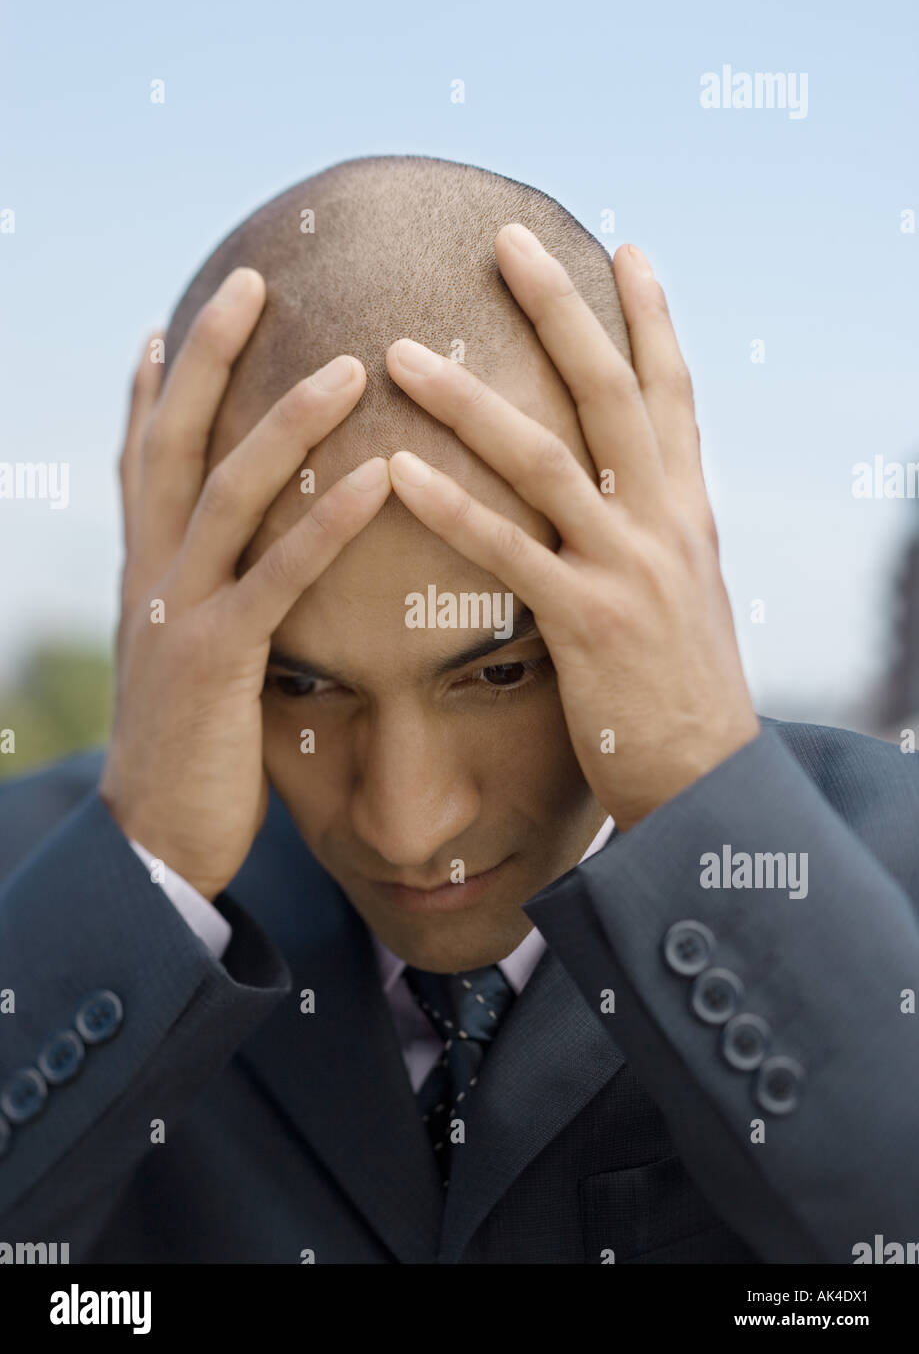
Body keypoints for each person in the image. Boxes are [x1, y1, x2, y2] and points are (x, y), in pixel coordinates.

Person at [1, 155, 917, 1265]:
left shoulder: (885, 879)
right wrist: (141, 869)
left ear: (664, 557)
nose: (407, 822)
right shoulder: (43, 901)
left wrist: (696, 795)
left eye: (497, 671)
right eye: (301, 683)